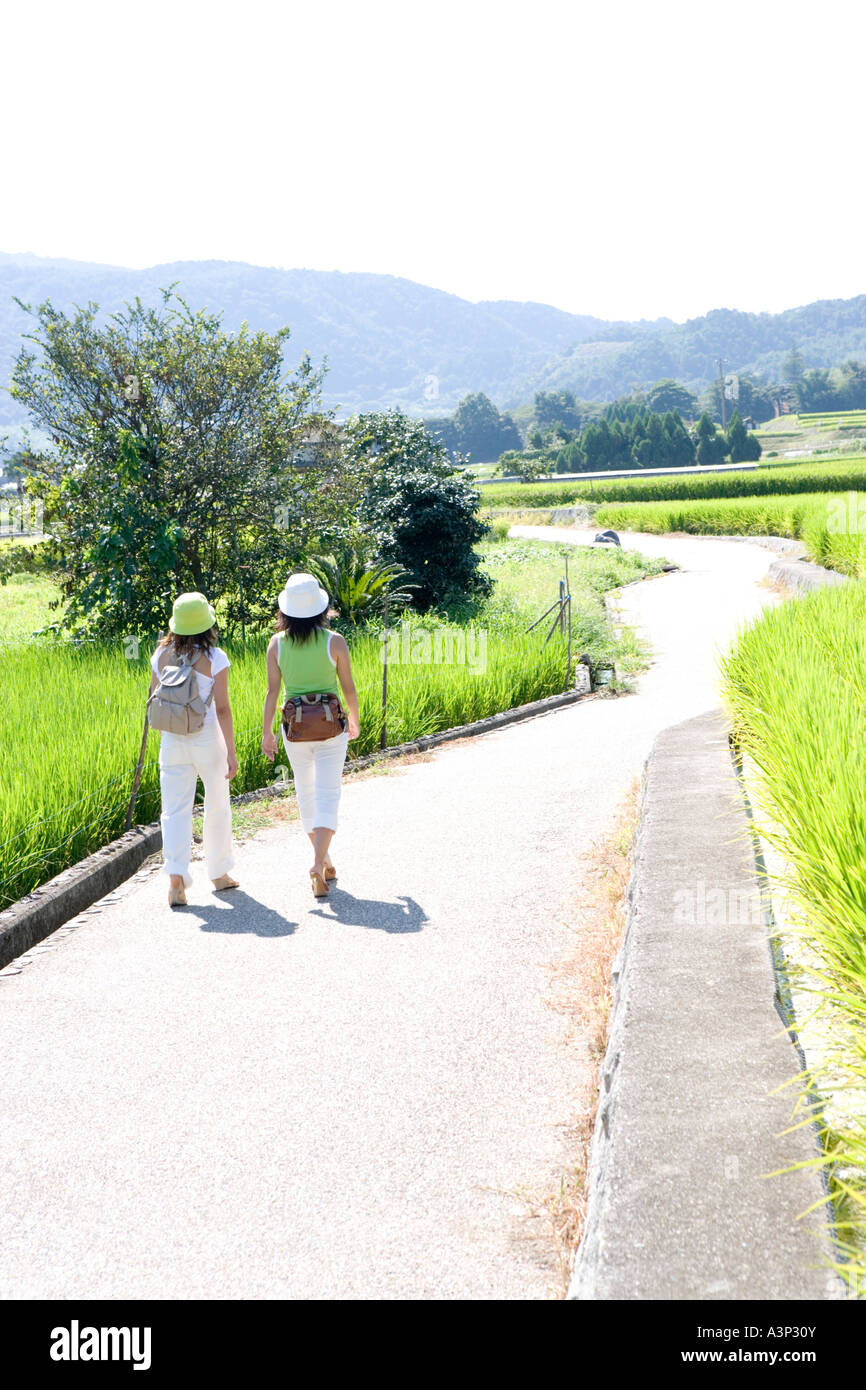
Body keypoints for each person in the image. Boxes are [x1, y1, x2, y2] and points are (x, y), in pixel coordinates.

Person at [261, 573, 360, 898]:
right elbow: (347, 687)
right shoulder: (335, 641)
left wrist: (267, 734)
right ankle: (319, 863)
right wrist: (355, 720)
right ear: (320, 607)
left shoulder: (276, 644)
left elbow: (272, 693)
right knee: (328, 794)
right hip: (332, 729)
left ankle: (323, 860)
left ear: (285, 611)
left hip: (295, 730)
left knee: (306, 795)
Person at [148, 592, 239, 908]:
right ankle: (218, 873)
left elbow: (153, 699)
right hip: (205, 736)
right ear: (207, 625)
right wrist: (231, 751)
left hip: (171, 739)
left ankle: (176, 880)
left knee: (174, 809)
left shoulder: (160, 656)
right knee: (217, 803)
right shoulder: (215, 658)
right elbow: (224, 709)